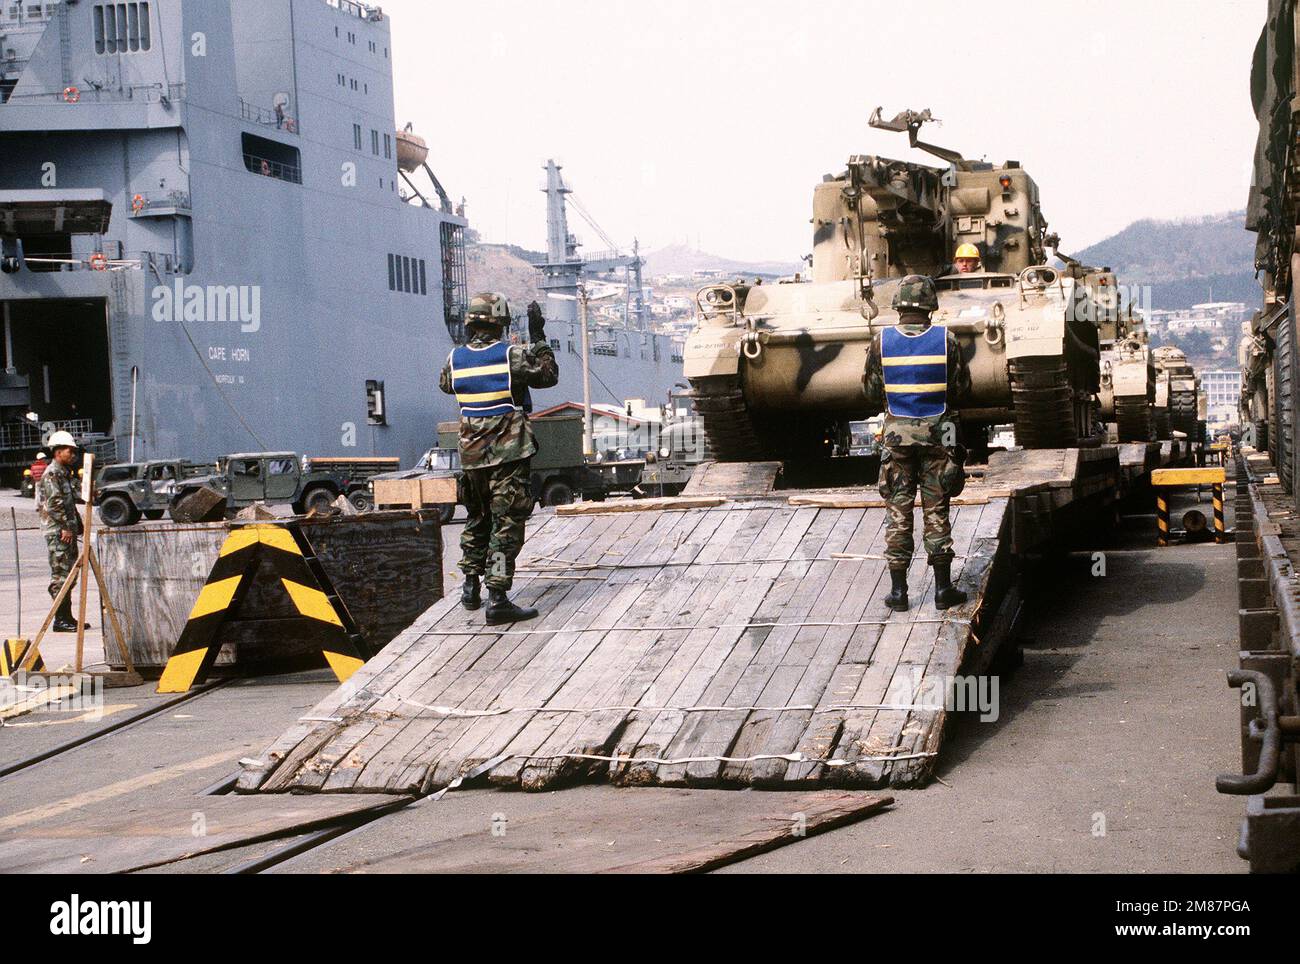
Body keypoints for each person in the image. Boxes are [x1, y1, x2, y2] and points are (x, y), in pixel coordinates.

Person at [439, 293, 558, 625]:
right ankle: (498, 597)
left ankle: (470, 587)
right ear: (501, 323)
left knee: (477, 519)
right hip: (507, 456)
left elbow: (446, 385)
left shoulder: (454, 359)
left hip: (471, 457)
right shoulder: (511, 356)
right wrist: (539, 338)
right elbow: (548, 374)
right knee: (506, 524)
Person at [863, 275, 971, 611]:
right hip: (940, 434)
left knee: (898, 510)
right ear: (930, 305)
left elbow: (868, 391)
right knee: (936, 510)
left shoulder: (881, 341)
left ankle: (899, 593)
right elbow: (962, 389)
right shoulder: (946, 340)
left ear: (898, 305)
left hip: (896, 437)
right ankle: (942, 590)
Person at [36, 431, 89, 632]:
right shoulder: (52, 473)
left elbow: (68, 503)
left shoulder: (63, 473)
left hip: (66, 530)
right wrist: (67, 527)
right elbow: (55, 504)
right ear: (58, 452)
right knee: (61, 575)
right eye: (70, 450)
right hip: (59, 532)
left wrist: (77, 524)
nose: (73, 454)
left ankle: (67, 617)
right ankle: (60, 619)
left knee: (70, 575)